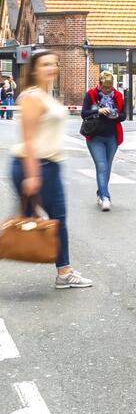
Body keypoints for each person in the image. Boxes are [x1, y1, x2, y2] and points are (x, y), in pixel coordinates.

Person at [10, 51, 92, 289]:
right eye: (45, 64)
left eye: (54, 64)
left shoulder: (45, 95)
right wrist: (33, 175)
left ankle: (64, 271)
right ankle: (64, 272)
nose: (51, 68)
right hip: (38, 165)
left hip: (49, 165)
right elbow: (28, 137)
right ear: (34, 69)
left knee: (38, 220)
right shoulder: (32, 97)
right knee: (53, 220)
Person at [81, 70, 125, 212]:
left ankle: (100, 192)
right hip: (95, 136)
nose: (107, 90)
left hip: (112, 136)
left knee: (108, 167)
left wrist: (116, 115)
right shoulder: (91, 94)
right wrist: (98, 111)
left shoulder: (118, 96)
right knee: (101, 166)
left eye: (110, 87)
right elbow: (83, 113)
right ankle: (106, 197)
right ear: (99, 85)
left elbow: (124, 115)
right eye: (105, 87)